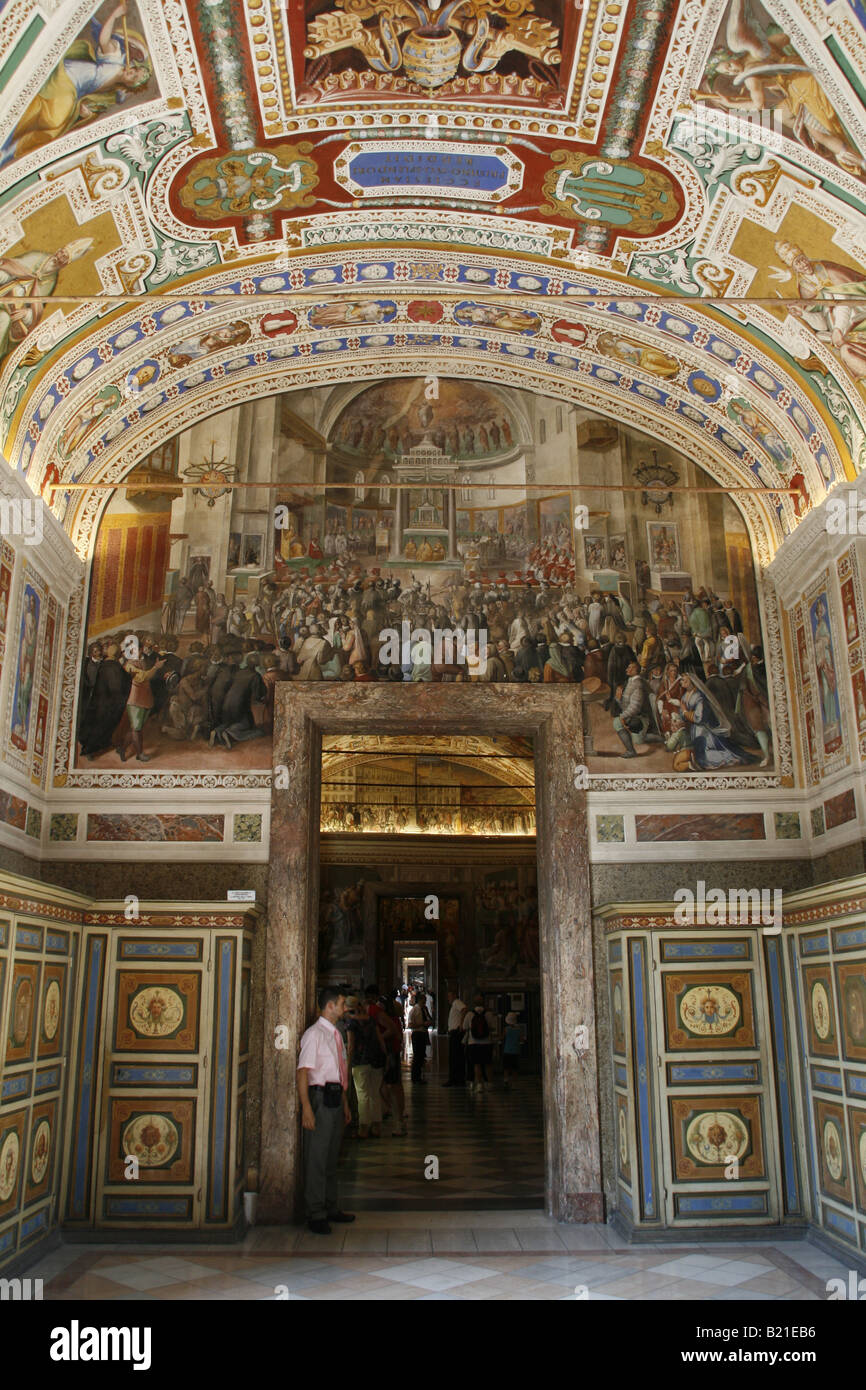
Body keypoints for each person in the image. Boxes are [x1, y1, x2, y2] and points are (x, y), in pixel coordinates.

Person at [296, 986, 356, 1235]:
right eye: (342, 1004)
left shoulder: (336, 1034)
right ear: (330, 1006)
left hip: (334, 1097)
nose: (345, 1008)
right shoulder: (314, 1035)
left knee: (332, 1157)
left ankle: (332, 1207)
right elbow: (303, 1072)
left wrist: (345, 1103)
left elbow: (339, 1073)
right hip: (319, 1099)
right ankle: (316, 1213)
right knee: (317, 1158)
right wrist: (307, 1108)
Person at [344, 997, 383, 1139]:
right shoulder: (371, 1019)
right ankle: (377, 1126)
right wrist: (384, 1056)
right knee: (374, 1094)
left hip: (360, 1061)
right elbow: (380, 1039)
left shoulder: (350, 1022)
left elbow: (351, 1045)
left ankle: (363, 1128)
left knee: (362, 1095)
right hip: (376, 1060)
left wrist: (347, 1065)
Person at [465, 996, 497, 1092]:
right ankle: (489, 1084)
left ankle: (479, 1085)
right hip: (487, 1043)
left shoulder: (469, 1014)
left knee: (477, 1064)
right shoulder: (489, 1014)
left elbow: (464, 1027)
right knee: (488, 1064)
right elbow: (493, 1027)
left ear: (474, 1003)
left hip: (473, 1043)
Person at [444, 989, 467, 1086]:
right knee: (456, 1056)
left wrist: (461, 1024)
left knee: (455, 1057)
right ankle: (457, 1079)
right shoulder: (454, 1004)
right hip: (454, 1032)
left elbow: (464, 1009)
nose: (448, 998)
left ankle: (455, 1079)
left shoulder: (457, 1002)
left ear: (454, 996)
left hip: (456, 1033)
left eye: (449, 996)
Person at [408, 990, 431, 1084]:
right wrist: (422, 1024)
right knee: (417, 1056)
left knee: (421, 1056)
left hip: (423, 1033)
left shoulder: (424, 1009)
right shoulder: (414, 1010)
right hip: (417, 1034)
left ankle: (419, 1076)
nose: (425, 1003)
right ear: (419, 1000)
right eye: (423, 1001)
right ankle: (415, 1077)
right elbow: (410, 1025)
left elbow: (428, 1018)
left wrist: (428, 1023)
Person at [502, 1011, 522, 1090]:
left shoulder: (506, 1029)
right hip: (515, 1051)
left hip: (507, 1051)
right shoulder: (518, 1029)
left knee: (506, 1067)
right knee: (514, 1068)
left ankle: (506, 1080)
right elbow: (521, 1039)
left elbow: (502, 1037)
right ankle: (514, 1083)